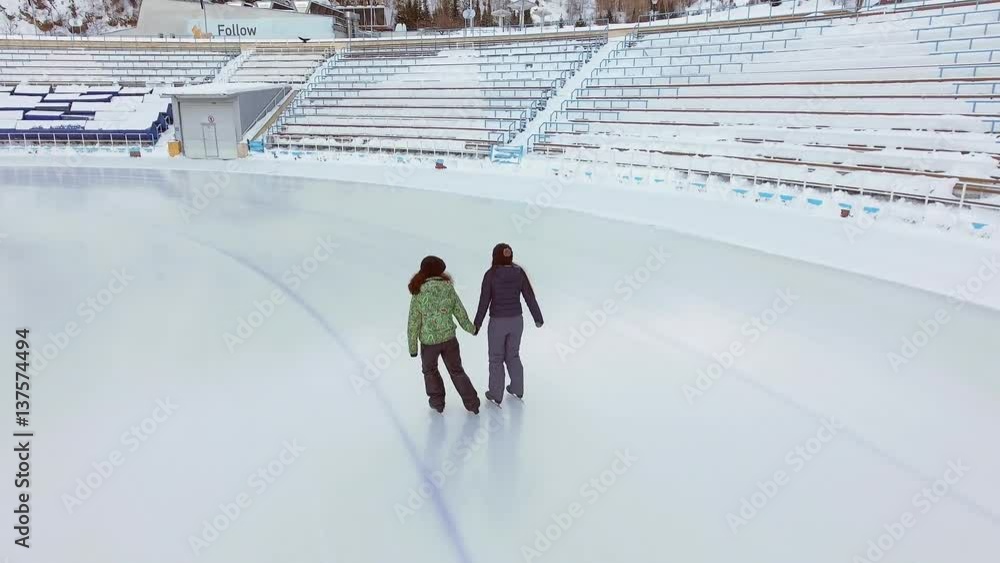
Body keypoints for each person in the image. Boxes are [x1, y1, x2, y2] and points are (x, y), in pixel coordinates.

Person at [408, 256, 481, 414]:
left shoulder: (419, 291)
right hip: (449, 339)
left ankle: (437, 402)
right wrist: (471, 329)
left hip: (429, 343)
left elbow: (413, 322)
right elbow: (459, 312)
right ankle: (472, 403)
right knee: (456, 370)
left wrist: (412, 347)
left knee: (430, 371)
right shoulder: (448, 287)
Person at [474, 243, 543, 406]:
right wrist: (537, 317)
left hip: (498, 322)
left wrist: (477, 324)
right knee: (513, 355)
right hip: (517, 321)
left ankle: (496, 393)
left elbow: (484, 301)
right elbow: (529, 296)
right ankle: (517, 389)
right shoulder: (519, 272)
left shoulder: (491, 274)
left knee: (496, 358)